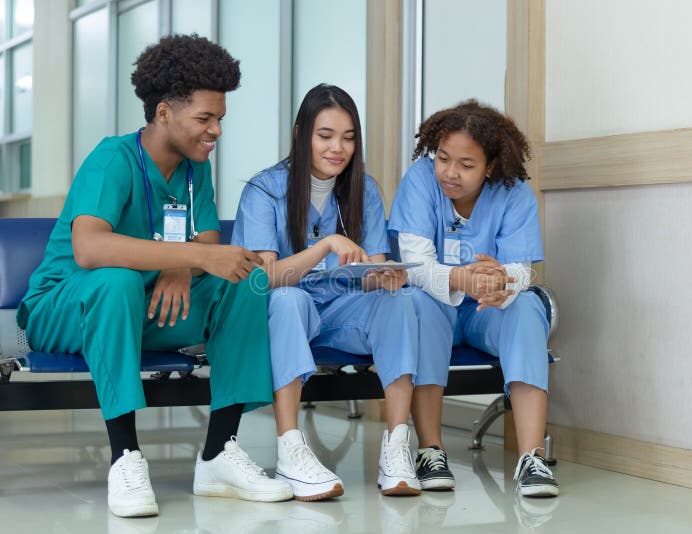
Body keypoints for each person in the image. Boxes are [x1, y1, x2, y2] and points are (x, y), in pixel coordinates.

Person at [15, 34, 293, 518]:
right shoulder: (112, 159)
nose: (216, 132)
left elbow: (206, 239)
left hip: (145, 306)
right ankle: (125, 456)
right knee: (116, 279)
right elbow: (89, 247)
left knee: (248, 279)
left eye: (220, 119)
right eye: (204, 119)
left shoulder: (194, 168)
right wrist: (188, 258)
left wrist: (182, 266)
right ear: (164, 113)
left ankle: (218, 454)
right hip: (66, 305)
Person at [233, 83, 426, 499]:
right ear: (302, 133)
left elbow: (370, 268)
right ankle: (289, 448)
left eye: (349, 137)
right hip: (286, 313)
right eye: (326, 136)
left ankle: (396, 446)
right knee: (288, 298)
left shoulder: (364, 190)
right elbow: (261, 280)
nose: (338, 148)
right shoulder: (265, 190)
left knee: (399, 299)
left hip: (340, 313)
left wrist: (386, 275)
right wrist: (324, 245)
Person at [388, 100, 560, 497]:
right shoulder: (419, 181)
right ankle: (431, 450)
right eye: (443, 159)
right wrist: (463, 279)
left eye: (466, 165)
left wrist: (503, 283)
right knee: (419, 301)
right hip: (437, 305)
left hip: (487, 312)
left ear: (491, 167)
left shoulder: (513, 193)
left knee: (528, 304)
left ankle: (531, 459)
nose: (450, 172)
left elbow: (520, 268)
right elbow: (414, 265)